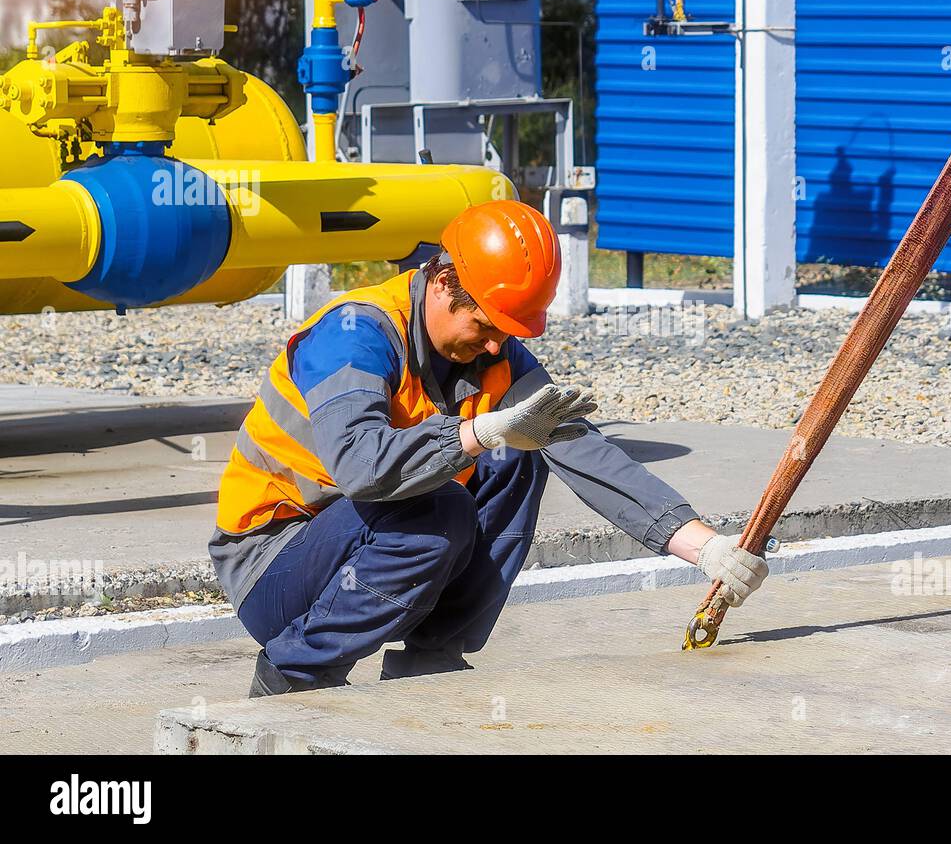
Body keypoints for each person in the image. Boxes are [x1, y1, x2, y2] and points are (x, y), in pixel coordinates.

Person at [209, 200, 768, 697]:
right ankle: (296, 674)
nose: (499, 343)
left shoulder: (493, 354)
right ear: (442, 280)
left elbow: (581, 449)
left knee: (522, 453)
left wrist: (706, 548)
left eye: (509, 329)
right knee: (449, 497)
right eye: (485, 323)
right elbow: (362, 467)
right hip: (272, 567)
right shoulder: (353, 334)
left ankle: (431, 659)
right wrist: (481, 432)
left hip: (355, 542)